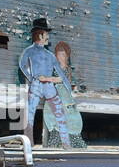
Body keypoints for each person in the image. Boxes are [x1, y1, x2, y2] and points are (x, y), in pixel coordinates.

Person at [19, 18, 84, 148]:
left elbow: (60, 73)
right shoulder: (29, 51)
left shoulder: (50, 55)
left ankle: (66, 143)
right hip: (36, 84)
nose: (48, 36)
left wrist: (66, 87)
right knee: (30, 112)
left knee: (59, 112)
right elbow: (22, 64)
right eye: (46, 34)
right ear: (40, 34)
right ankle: (29, 143)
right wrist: (32, 77)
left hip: (48, 86)